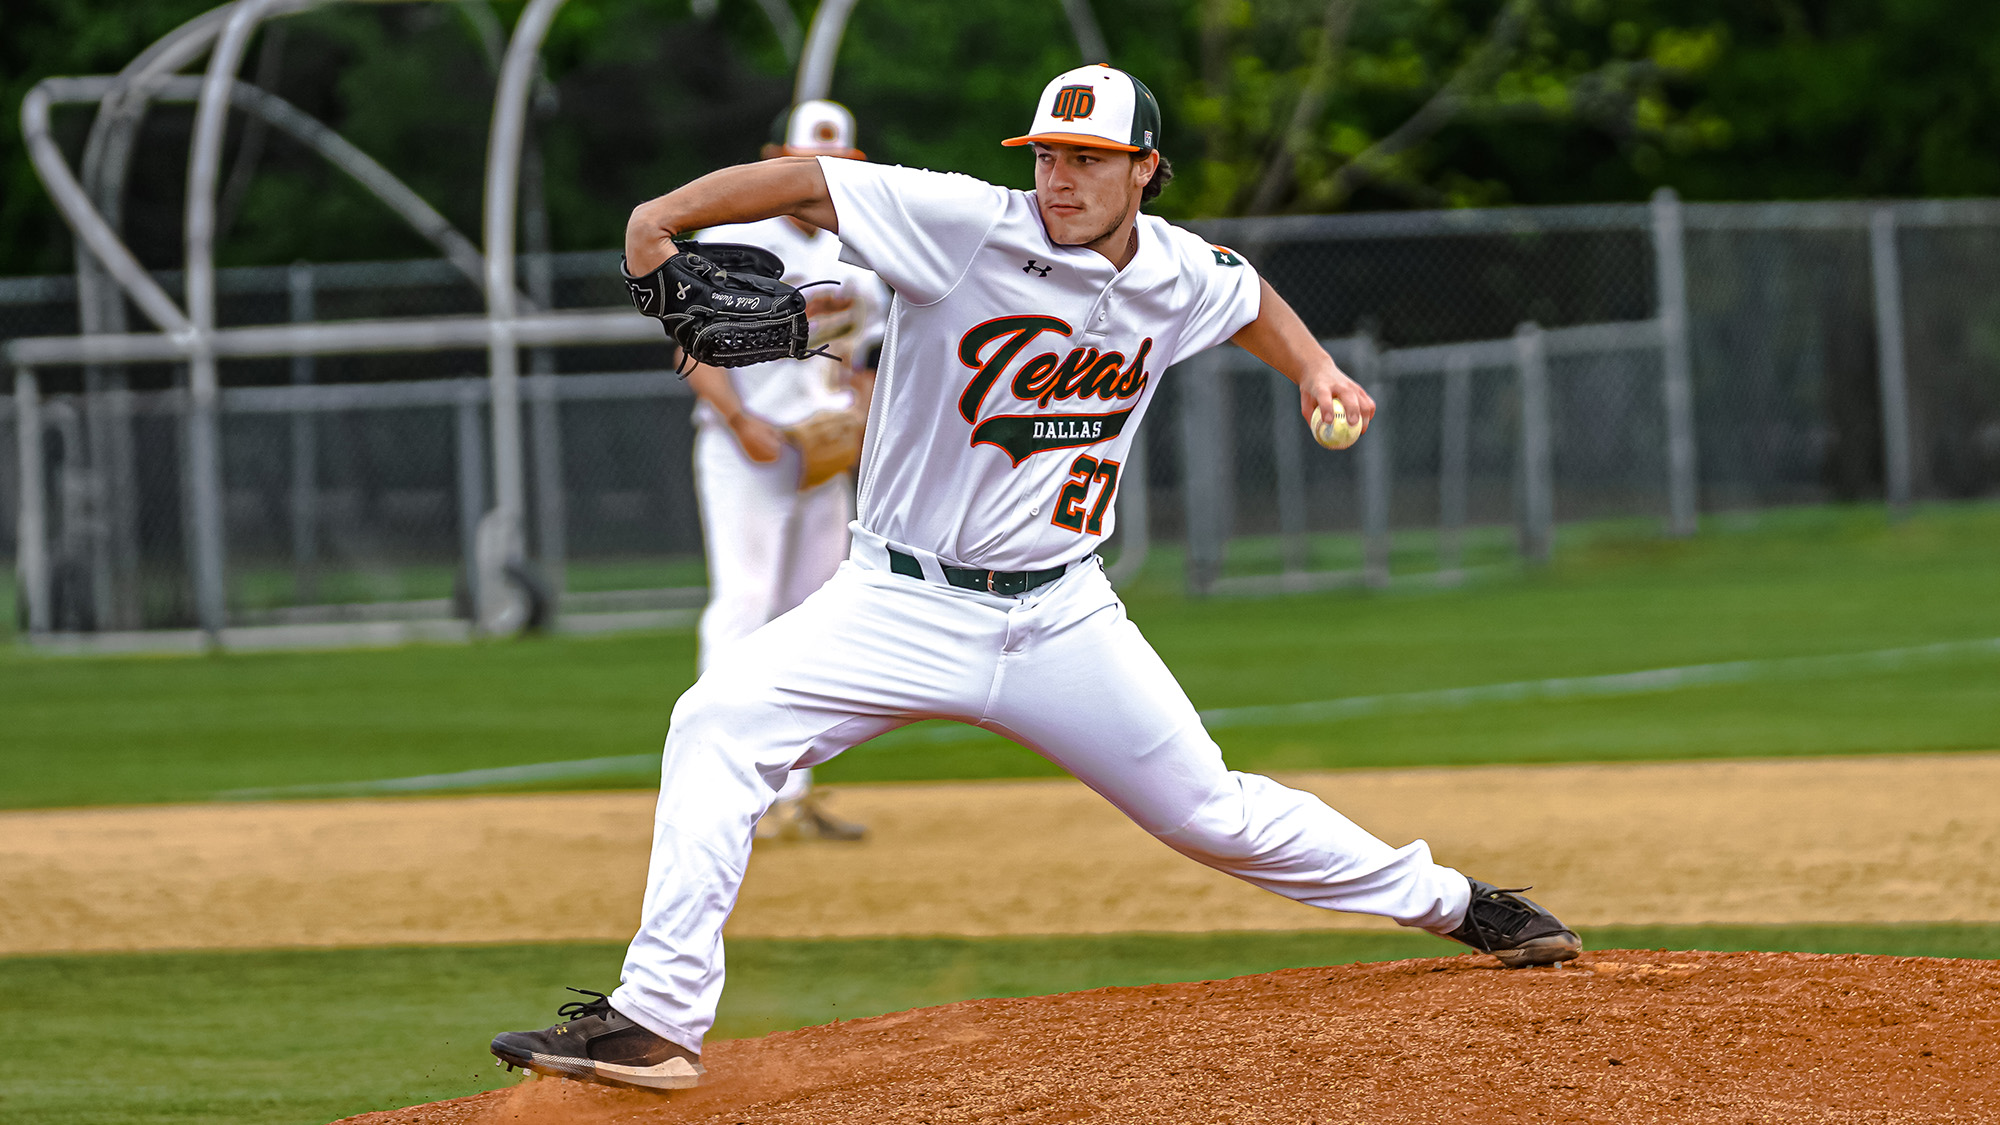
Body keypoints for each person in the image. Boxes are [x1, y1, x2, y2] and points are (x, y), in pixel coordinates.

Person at [492, 64, 1581, 1092]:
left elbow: (1241, 294)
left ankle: (1459, 904)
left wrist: (1314, 368)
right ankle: (659, 1020)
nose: (1059, 178)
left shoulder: (1171, 269)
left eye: (1089, 159)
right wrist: (658, 221)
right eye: (1048, 154)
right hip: (898, 600)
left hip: (1062, 613)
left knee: (1210, 813)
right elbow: (808, 184)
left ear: (1144, 169)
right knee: (718, 721)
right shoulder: (966, 224)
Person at [683, 99, 886, 842]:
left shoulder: (864, 244)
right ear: (776, 159)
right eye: (801, 160)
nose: (815, 175)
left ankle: (790, 792)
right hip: (746, 451)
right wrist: (741, 422)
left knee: (813, 619)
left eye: (832, 162)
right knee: (743, 605)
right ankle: (718, 792)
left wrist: (866, 422)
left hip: (820, 455)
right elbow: (689, 347)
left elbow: (860, 361)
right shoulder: (733, 236)